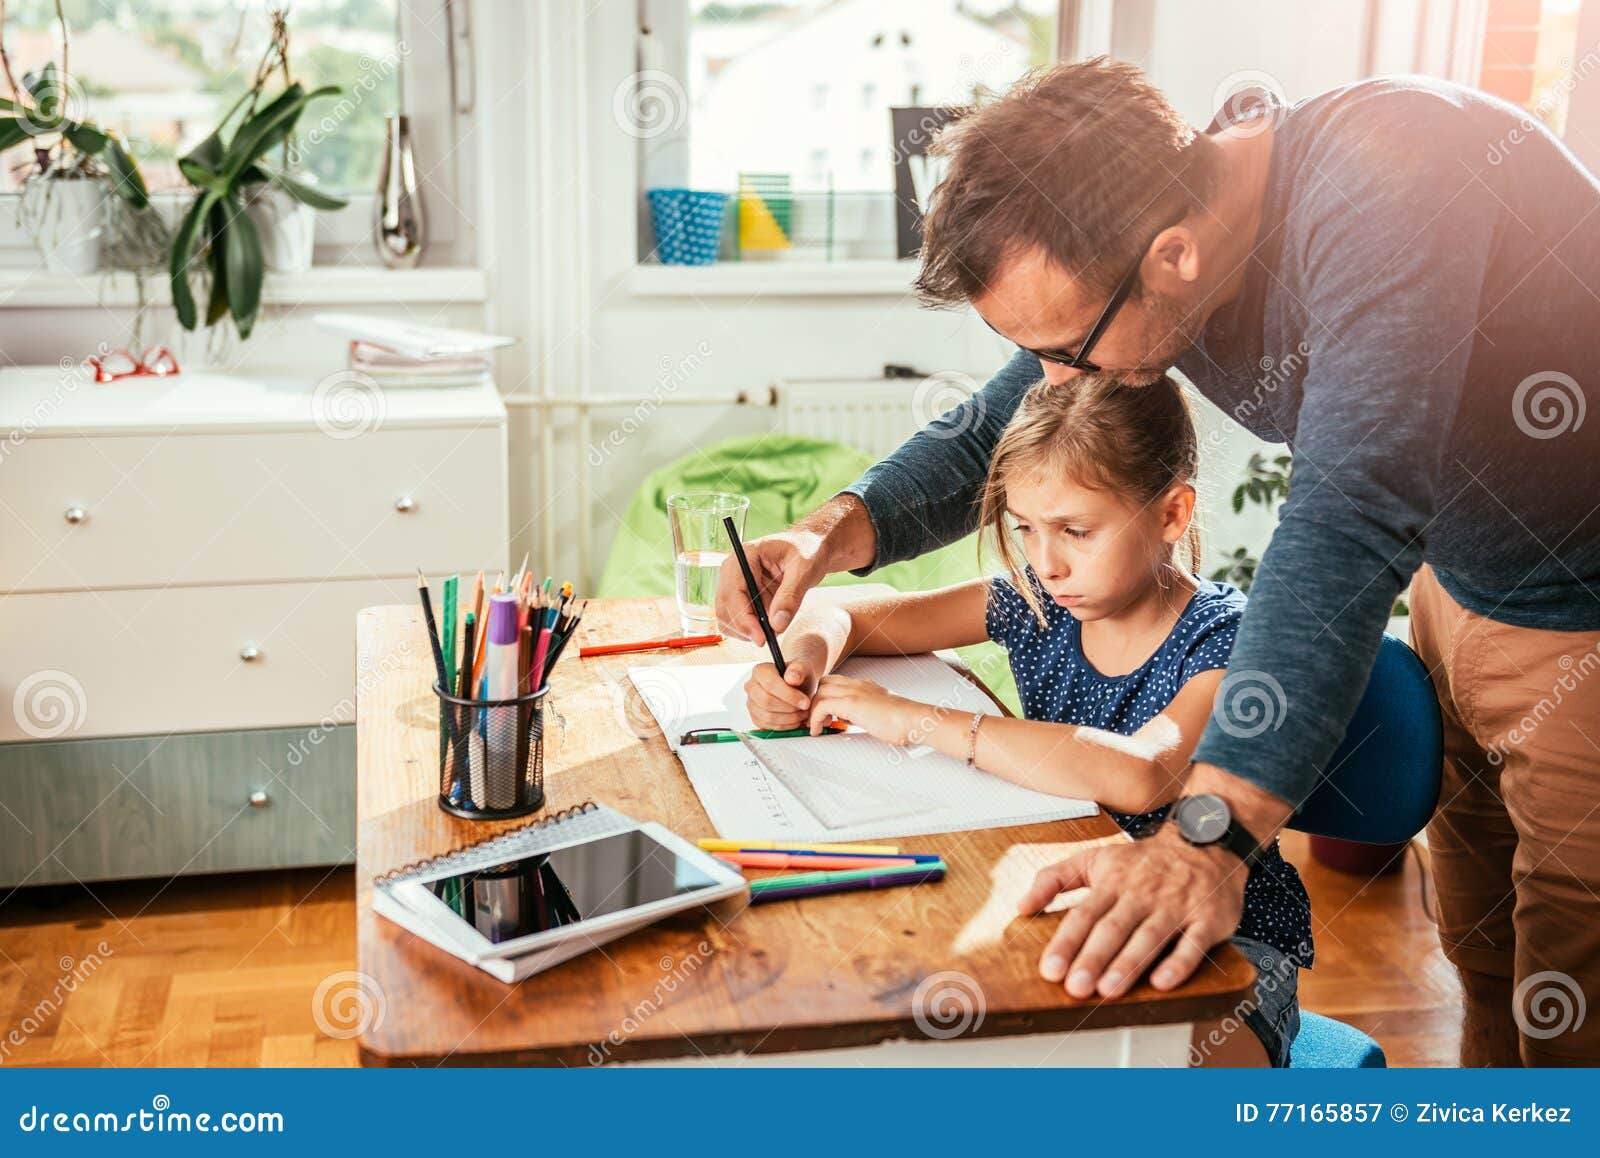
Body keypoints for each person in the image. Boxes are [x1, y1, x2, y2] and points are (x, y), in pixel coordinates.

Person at [716, 59, 1600, 1065]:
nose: (1053, 381)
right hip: (1466, 580)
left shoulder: (1390, 181)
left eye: (1068, 352)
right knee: (1488, 964)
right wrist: (831, 532)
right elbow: (993, 431)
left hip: (1583, 608)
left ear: (1171, 257)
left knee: (1574, 989)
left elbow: (1351, 508)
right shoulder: (1167, 227)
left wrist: (1212, 836)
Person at [745, 374, 1309, 1065]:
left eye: (1076, 530)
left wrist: (914, 721)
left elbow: (1142, 775)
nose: (1047, 562)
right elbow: (855, 615)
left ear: (1172, 513)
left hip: (1226, 948)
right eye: (1027, 530)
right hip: (1066, 900)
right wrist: (805, 654)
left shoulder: (1223, 638)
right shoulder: (1039, 600)